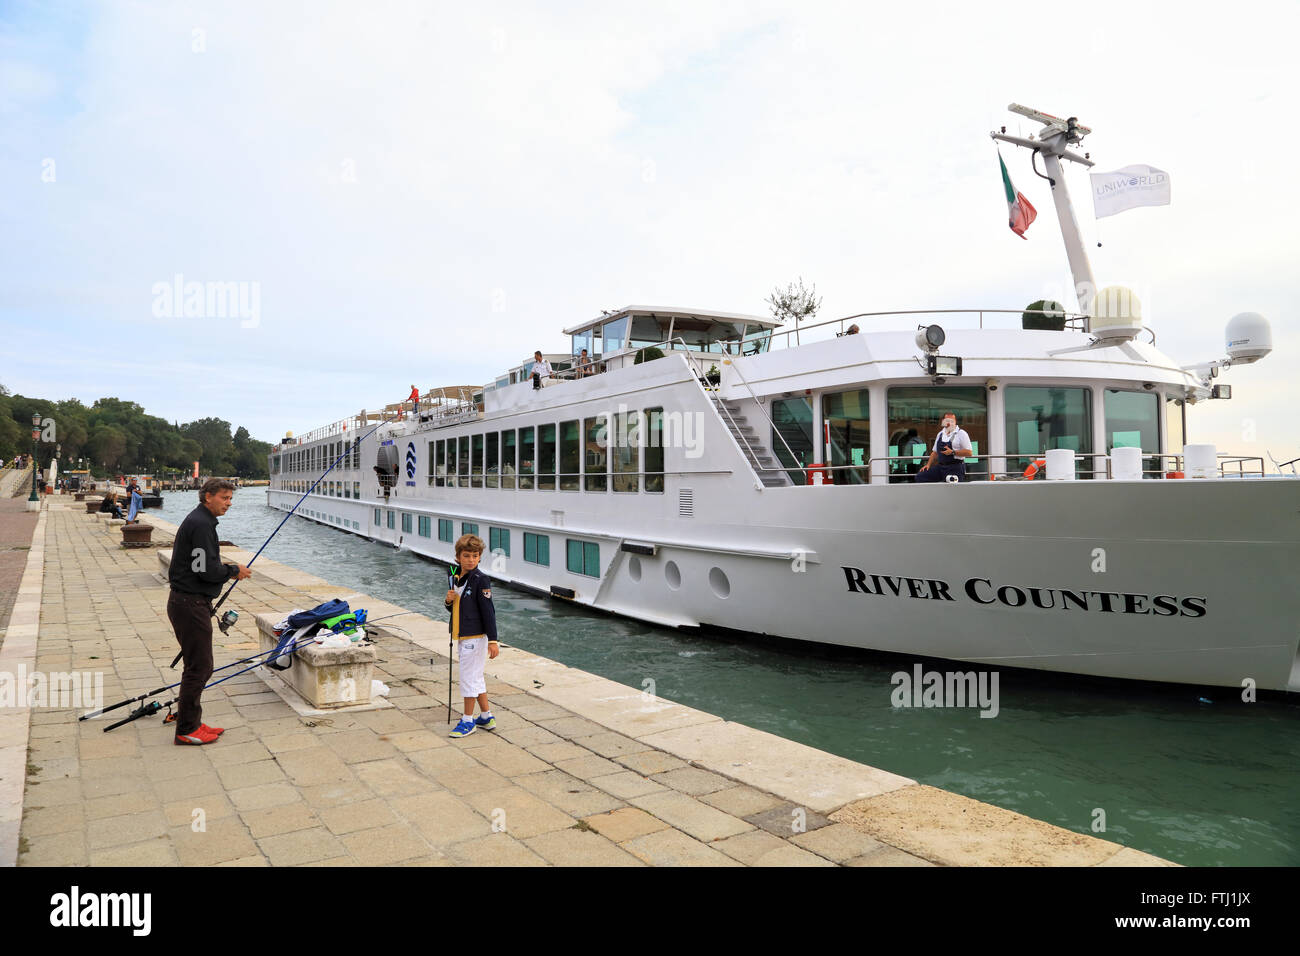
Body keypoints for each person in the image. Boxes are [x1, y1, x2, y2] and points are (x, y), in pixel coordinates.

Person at [166, 478, 251, 745]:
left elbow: (202, 562)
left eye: (230, 499)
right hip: (189, 604)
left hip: (188, 603)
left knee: (199, 665)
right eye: (225, 498)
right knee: (200, 666)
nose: (229, 504)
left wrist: (224, 567)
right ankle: (187, 729)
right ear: (208, 497)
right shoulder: (201, 524)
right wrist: (233, 570)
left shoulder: (201, 521)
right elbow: (204, 570)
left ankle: (190, 720)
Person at [443, 534, 499, 738]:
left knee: (468, 678)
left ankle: (468, 720)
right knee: (475, 677)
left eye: (475, 556)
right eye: (466, 555)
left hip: (474, 637)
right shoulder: (455, 575)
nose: (471, 560)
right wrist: (448, 601)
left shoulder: (480, 579)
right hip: (463, 634)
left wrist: (493, 640)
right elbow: (456, 609)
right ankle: (485, 716)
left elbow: (488, 611)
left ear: (480, 557)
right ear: (458, 557)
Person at [915, 412, 973, 483]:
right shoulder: (940, 434)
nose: (949, 423)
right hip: (941, 467)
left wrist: (953, 452)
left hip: (955, 468)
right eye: (947, 420)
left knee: (952, 490)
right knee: (920, 477)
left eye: (952, 421)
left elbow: (969, 453)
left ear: (955, 422)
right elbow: (935, 452)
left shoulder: (961, 434)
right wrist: (928, 465)